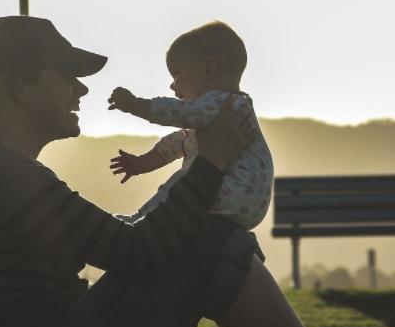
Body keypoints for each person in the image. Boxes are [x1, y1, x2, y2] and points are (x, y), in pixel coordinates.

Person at [0, 15, 343, 327]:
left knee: (208, 235)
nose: (81, 90)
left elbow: (112, 239)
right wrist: (211, 161)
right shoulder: (1, 174)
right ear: (22, 87)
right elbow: (137, 253)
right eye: (67, 77)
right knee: (210, 238)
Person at [107, 21, 273, 231]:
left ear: (208, 68)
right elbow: (180, 143)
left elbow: (178, 113)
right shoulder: (227, 110)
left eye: (176, 74)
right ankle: (140, 221)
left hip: (231, 191)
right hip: (246, 203)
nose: (172, 84)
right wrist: (140, 164)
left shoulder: (222, 103)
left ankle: (140, 222)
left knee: (181, 185)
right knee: (186, 184)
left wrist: (136, 105)